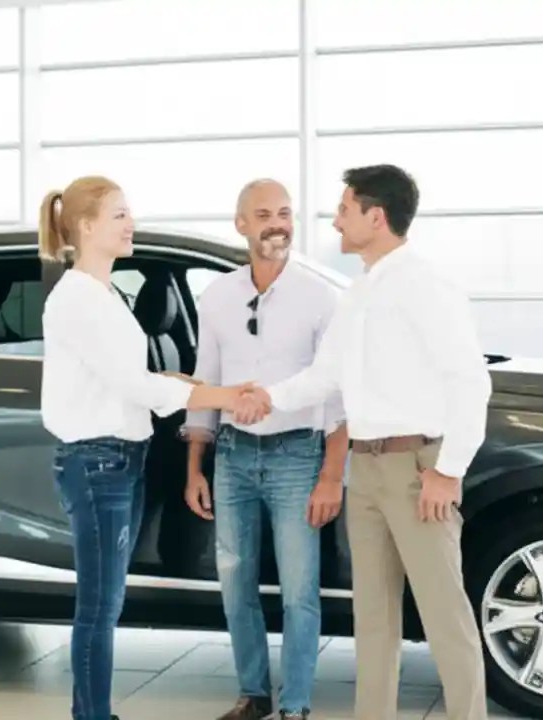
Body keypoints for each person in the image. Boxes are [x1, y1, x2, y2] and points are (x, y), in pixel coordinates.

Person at [234, 165, 491, 720]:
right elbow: (325, 376)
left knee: (445, 615)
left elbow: (470, 380)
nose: (335, 219)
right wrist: (263, 398)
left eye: (346, 210)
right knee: (372, 619)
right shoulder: (358, 291)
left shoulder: (426, 285)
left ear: (376, 217)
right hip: (367, 469)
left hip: (417, 468)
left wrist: (448, 470)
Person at [38, 175, 247, 720]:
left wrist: (192, 381)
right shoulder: (77, 298)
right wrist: (220, 394)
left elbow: (135, 373)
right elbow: (137, 387)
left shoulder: (105, 293)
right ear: (86, 227)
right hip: (97, 462)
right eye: (119, 216)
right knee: (99, 609)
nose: (131, 224)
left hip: (121, 459)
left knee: (107, 604)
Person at [182, 178, 348, 720]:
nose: (277, 223)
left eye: (284, 213)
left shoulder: (322, 299)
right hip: (231, 457)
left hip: (298, 456)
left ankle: (295, 704)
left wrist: (331, 476)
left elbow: (337, 396)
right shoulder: (218, 297)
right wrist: (195, 467)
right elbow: (204, 382)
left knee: (300, 589)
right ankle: (252, 694)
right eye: (264, 214)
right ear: (241, 225)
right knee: (236, 582)